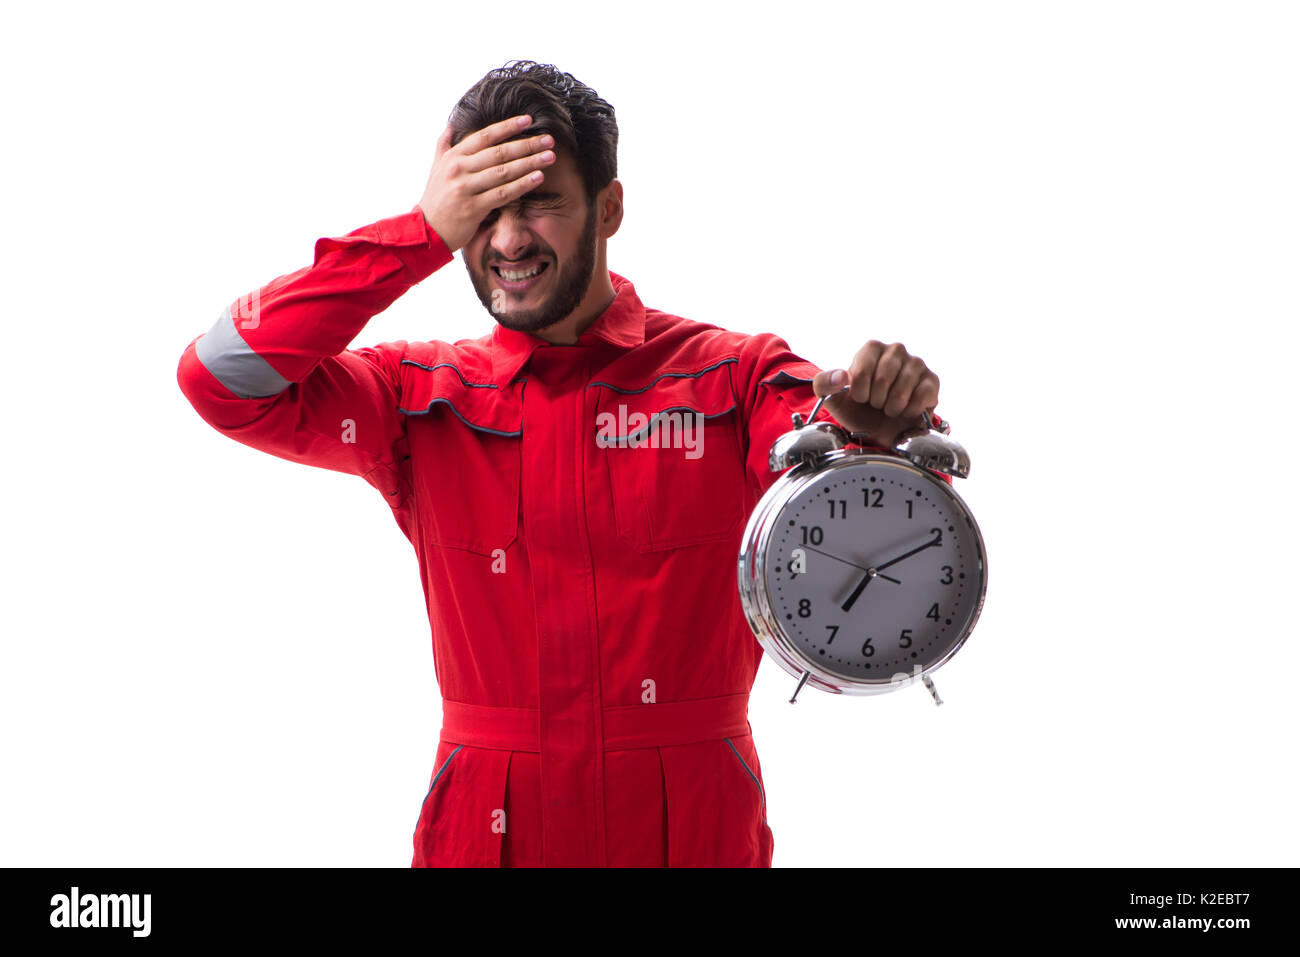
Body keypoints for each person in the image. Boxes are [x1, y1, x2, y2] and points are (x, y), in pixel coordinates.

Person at [177, 60, 946, 867]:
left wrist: (873, 433)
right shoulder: (417, 398)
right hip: (485, 831)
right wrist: (418, 235)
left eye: (539, 202)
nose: (508, 239)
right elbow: (222, 378)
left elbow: (833, 479)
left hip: (693, 831)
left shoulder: (731, 378)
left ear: (609, 208)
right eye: (481, 208)